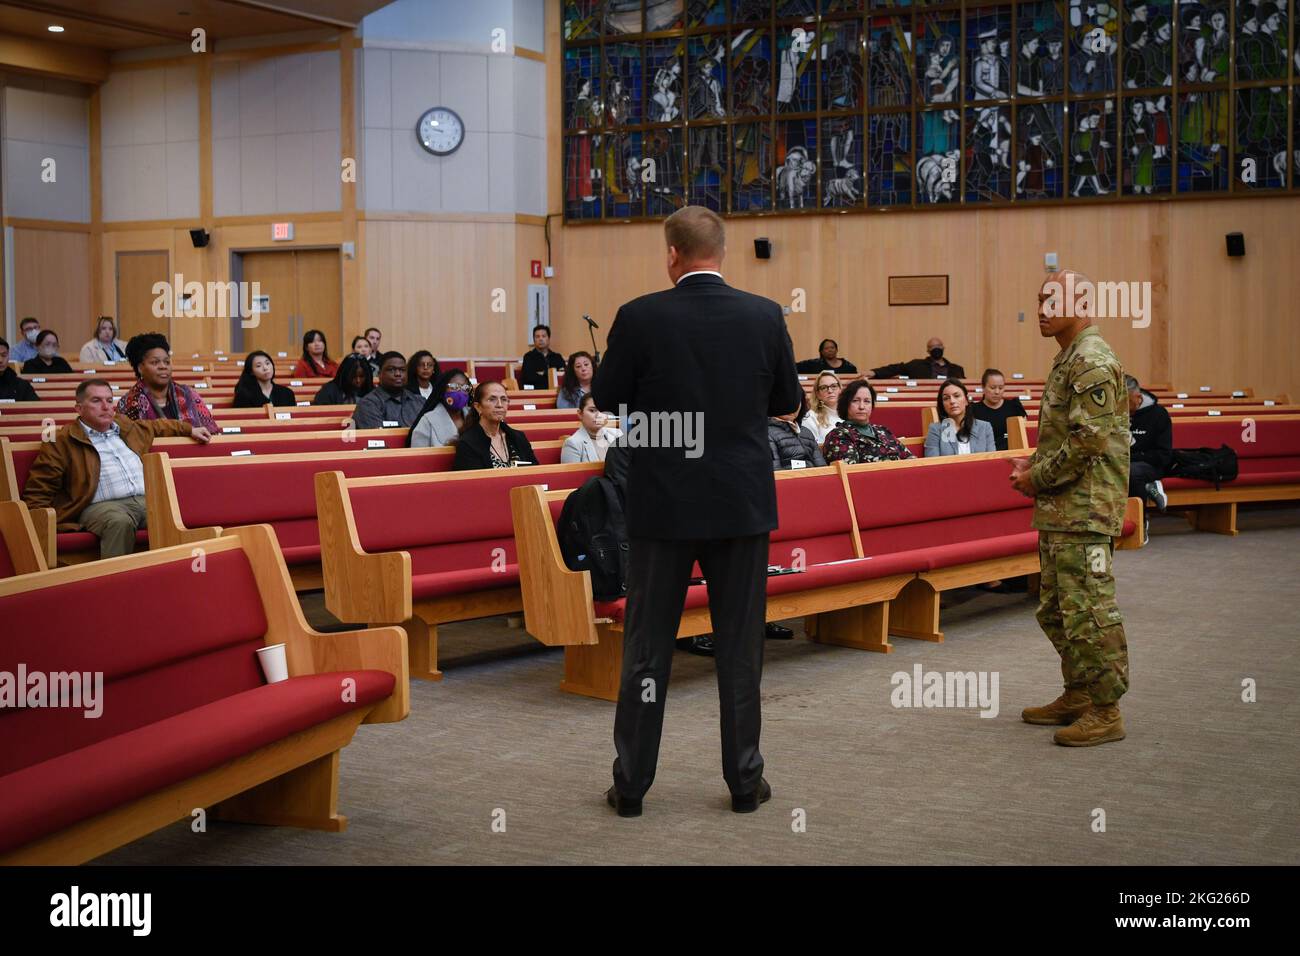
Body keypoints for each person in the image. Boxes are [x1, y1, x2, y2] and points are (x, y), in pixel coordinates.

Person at [592, 204, 802, 818]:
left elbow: (604, 397)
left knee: (648, 651)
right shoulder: (765, 316)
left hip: (664, 508)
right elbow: (788, 400)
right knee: (740, 650)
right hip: (740, 503)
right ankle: (744, 782)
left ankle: (631, 786)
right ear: (724, 252)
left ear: (671, 255)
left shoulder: (639, 317)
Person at [1011, 269, 1130, 747]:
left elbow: (1089, 442)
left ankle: (1107, 709)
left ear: (1081, 300)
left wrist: (1034, 478)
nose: (1040, 310)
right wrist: (1034, 462)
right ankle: (1079, 691)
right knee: (1057, 610)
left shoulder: (1091, 360)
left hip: (1085, 512)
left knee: (1090, 611)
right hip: (1062, 509)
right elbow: (1067, 437)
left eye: (1050, 300)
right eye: (1037, 300)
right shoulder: (1068, 358)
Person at [22, 378, 211, 558]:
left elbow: (158, 426)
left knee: (182, 512)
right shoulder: (61, 440)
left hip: (145, 500)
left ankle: (175, 578)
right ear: (79, 408)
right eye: (96, 400)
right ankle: (115, 585)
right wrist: (36, 526)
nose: (106, 406)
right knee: (119, 522)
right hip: (99, 506)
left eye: (109, 400)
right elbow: (41, 485)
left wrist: (189, 429)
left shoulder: (126, 427)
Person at [117, 332, 218, 430]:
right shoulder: (128, 403)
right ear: (140, 368)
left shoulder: (188, 394)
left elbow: (211, 430)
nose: (163, 366)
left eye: (167, 362)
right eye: (155, 362)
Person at [822, 380, 915, 463]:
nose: (862, 406)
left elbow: (910, 458)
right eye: (855, 401)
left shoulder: (883, 431)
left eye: (867, 401)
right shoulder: (838, 436)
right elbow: (851, 475)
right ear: (845, 405)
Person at [453, 381, 536, 469]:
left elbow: (535, 472)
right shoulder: (467, 443)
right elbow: (474, 481)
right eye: (492, 399)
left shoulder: (518, 437)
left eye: (504, 399)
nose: (500, 405)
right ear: (478, 407)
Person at [1126, 374, 1172, 513]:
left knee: (1130, 473)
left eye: (1125, 401)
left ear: (1138, 397)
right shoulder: (1114, 413)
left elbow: (1163, 456)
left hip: (1151, 465)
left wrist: (1132, 457)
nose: (1119, 406)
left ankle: (1140, 522)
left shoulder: (1159, 415)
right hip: (1122, 462)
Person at [925, 378, 996, 456]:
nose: (952, 401)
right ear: (943, 405)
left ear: (966, 400)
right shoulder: (935, 429)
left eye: (956, 396)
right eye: (946, 398)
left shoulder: (985, 427)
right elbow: (933, 463)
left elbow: (991, 460)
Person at [352, 352, 424, 429]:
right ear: (379, 374)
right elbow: (378, 437)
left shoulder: (419, 401)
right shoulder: (368, 404)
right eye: (391, 370)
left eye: (402, 370)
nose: (398, 374)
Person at [968, 367, 1028, 451]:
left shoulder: (1013, 406)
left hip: (1011, 453)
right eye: (992, 388)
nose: (997, 392)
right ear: (983, 387)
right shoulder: (973, 409)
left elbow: (1023, 435)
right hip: (983, 455)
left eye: (1001, 388)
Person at [408, 369, 471, 447]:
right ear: (442, 390)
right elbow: (419, 456)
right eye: (454, 387)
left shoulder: (474, 416)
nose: (460, 392)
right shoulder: (427, 420)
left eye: (465, 388)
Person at [769, 392, 826, 469]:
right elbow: (775, 472)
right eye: (784, 401)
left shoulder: (806, 432)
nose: (791, 406)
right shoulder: (767, 433)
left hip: (814, 478)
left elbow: (822, 468)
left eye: (795, 402)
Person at [561, 393, 622, 463]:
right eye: (592, 410)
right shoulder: (572, 443)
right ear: (580, 414)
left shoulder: (618, 435)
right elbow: (573, 474)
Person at [869, 337, 966, 380]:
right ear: (928, 351)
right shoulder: (916, 366)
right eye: (932, 347)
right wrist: (874, 372)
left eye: (939, 346)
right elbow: (895, 368)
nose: (936, 349)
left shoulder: (957, 369)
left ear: (943, 348)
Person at [232, 350, 297, 408]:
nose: (265, 368)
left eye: (267, 363)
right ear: (251, 372)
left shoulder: (287, 393)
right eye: (258, 366)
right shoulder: (243, 395)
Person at [801, 371, 842, 445]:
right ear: (818, 394)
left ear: (840, 390)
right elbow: (811, 450)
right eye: (824, 388)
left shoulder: (850, 415)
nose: (830, 391)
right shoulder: (810, 417)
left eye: (834, 386)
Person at [520, 324, 564, 389]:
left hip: (557, 391)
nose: (540, 339)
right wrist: (551, 375)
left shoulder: (557, 357)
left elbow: (563, 375)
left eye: (543, 336)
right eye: (537, 337)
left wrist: (543, 373)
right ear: (534, 340)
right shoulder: (528, 357)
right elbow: (529, 378)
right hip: (537, 391)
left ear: (548, 339)